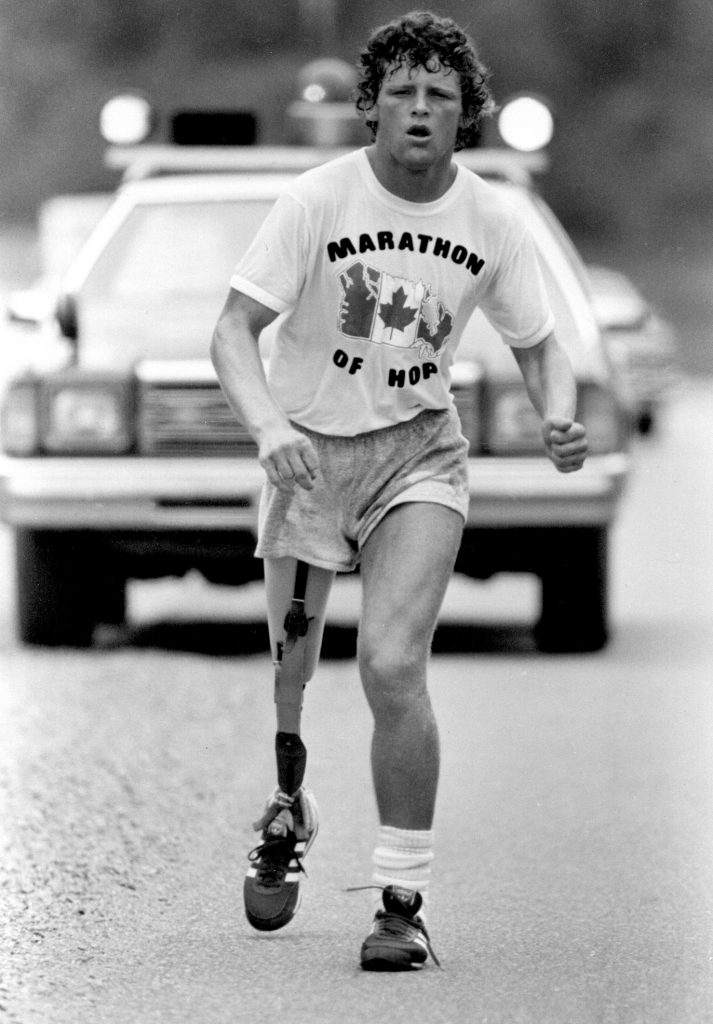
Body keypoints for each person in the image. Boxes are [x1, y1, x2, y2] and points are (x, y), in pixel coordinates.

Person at [211, 9, 588, 971]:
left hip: (417, 455)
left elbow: (541, 342)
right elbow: (232, 330)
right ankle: (290, 802)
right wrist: (267, 428)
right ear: (369, 108)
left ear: (465, 117)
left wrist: (555, 412)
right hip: (305, 455)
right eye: (403, 93)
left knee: (389, 664)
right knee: (290, 675)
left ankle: (400, 901)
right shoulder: (314, 201)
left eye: (441, 97)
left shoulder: (491, 219)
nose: (420, 110)